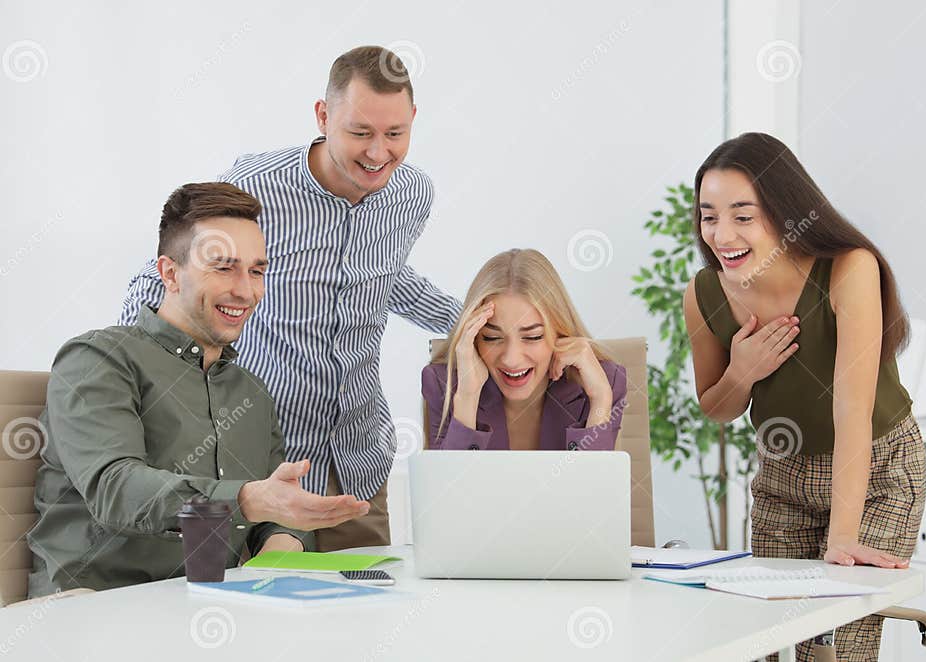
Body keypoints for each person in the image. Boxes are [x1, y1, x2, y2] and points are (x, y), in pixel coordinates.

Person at [119, 46, 461, 552]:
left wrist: (480, 320)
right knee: (255, 619)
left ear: (413, 119)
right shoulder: (256, 185)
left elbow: (385, 276)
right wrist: (123, 377)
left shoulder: (412, 194)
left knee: (366, 618)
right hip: (258, 467)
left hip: (357, 466)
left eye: (395, 134)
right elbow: (163, 279)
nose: (377, 152)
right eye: (360, 132)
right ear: (323, 116)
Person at [28, 183, 370, 596]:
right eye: (223, 268)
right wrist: (244, 500)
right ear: (170, 273)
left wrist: (283, 541)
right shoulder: (99, 358)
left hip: (207, 609)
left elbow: (274, 505)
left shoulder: (251, 393)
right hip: (93, 607)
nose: (246, 291)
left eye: (257, 270)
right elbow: (115, 489)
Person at [683, 132, 925, 661]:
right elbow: (717, 408)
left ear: (785, 209)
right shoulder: (703, 294)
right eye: (709, 215)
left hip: (876, 470)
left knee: (839, 647)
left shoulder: (847, 268)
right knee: (767, 642)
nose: (722, 233)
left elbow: (852, 408)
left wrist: (842, 538)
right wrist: (742, 373)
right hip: (782, 477)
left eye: (743, 215)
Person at [422, 249, 626, 451]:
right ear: (474, 339)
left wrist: (600, 398)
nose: (511, 359)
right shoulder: (443, 385)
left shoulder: (604, 382)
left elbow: (592, 483)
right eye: (492, 338)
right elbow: (449, 483)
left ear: (560, 331)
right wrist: (467, 397)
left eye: (532, 337)